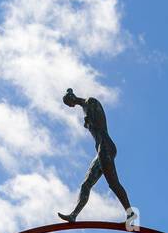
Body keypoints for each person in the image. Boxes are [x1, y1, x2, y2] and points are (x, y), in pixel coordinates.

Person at [57, 89, 137, 226]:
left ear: (72, 97)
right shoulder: (84, 108)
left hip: (105, 146)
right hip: (100, 148)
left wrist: (90, 121)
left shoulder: (90, 102)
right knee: (85, 184)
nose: (70, 105)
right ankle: (74, 215)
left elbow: (100, 125)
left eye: (69, 102)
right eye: (67, 104)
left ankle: (130, 213)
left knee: (113, 183)